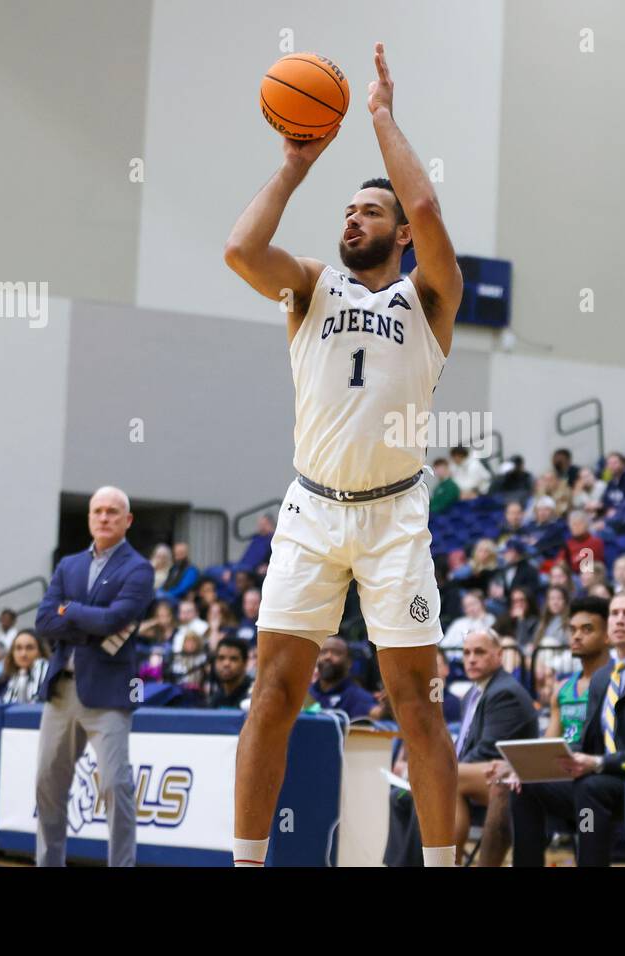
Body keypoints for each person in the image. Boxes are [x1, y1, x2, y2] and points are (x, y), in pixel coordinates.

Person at [223, 43, 464, 867]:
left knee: (418, 709)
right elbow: (239, 251)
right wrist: (294, 165)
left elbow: (427, 204)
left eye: (370, 211)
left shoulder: (429, 299)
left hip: (396, 515)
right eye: (349, 210)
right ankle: (246, 864)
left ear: (397, 234)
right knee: (273, 696)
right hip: (312, 509)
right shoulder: (310, 286)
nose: (353, 218)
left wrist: (382, 118)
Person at [509, 593, 625, 866]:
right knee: (526, 786)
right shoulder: (603, 677)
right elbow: (588, 740)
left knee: (591, 787)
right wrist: (540, 767)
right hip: (599, 775)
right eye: (614, 614)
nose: (619, 620)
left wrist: (598, 762)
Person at [33, 485, 154, 868]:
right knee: (47, 786)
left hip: (109, 695)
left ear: (127, 520)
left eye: (113, 512)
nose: (104, 517)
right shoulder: (68, 564)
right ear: (89, 517)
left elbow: (116, 619)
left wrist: (70, 612)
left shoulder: (139, 568)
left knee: (116, 785)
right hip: (61, 692)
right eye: (98, 511)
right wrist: (88, 624)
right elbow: (43, 621)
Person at [385, 629, 537, 866]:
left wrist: (446, 767)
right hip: (479, 776)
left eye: (479, 652)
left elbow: (489, 750)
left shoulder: (505, 692)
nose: (471, 658)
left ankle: (446, 863)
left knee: (440, 779)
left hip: (512, 777)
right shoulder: (473, 693)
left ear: (499, 655)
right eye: (466, 653)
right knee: (400, 797)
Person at [480, 596, 610, 866]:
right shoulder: (563, 689)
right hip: (563, 772)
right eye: (573, 630)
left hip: (595, 772)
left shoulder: (616, 683)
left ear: (607, 636)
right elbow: (548, 742)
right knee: (519, 784)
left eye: (587, 630)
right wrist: (520, 766)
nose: (576, 637)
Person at [308, 636, 375, 718]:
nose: (328, 656)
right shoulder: (306, 693)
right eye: (323, 652)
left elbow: (375, 715)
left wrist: (385, 707)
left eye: (336, 653)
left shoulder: (358, 696)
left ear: (349, 663)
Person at [0, 629, 49, 704]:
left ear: (40, 651)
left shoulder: (42, 665)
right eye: (18, 648)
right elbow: (7, 703)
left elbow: (36, 701)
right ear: (12, 653)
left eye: (29, 648)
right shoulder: (16, 675)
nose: (23, 654)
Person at [208, 636, 255, 709]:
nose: (226, 664)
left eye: (233, 659)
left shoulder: (254, 694)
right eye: (221, 658)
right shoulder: (215, 698)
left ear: (245, 663)